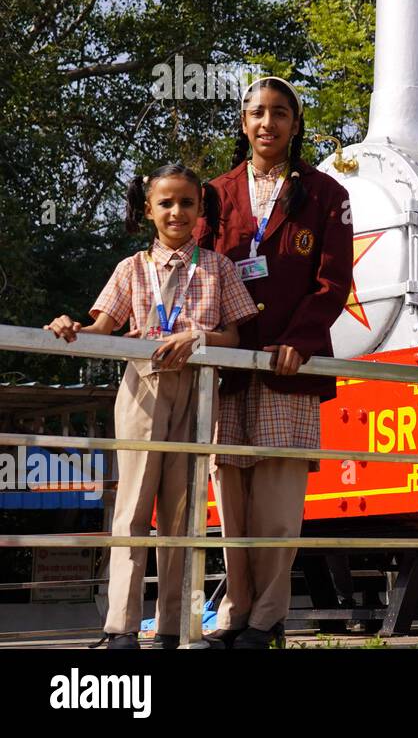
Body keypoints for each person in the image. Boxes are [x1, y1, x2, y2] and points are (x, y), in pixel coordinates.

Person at [43, 165, 258, 649]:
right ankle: (120, 626)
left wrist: (198, 335)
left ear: (201, 210)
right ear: (148, 210)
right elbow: (102, 326)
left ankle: (172, 626)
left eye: (186, 203)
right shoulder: (132, 268)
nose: (176, 212)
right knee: (133, 508)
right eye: (166, 203)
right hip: (142, 388)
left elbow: (236, 334)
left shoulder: (218, 267)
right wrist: (70, 326)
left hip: (198, 392)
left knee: (181, 514)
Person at [198, 76, 352, 649]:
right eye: (258, 113)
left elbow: (334, 282)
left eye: (280, 113)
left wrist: (302, 342)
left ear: (295, 124)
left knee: (279, 505)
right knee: (231, 500)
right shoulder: (214, 194)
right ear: (243, 122)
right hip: (229, 365)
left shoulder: (326, 194)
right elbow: (199, 272)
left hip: (289, 366)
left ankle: (268, 619)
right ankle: (237, 614)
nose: (268, 123)